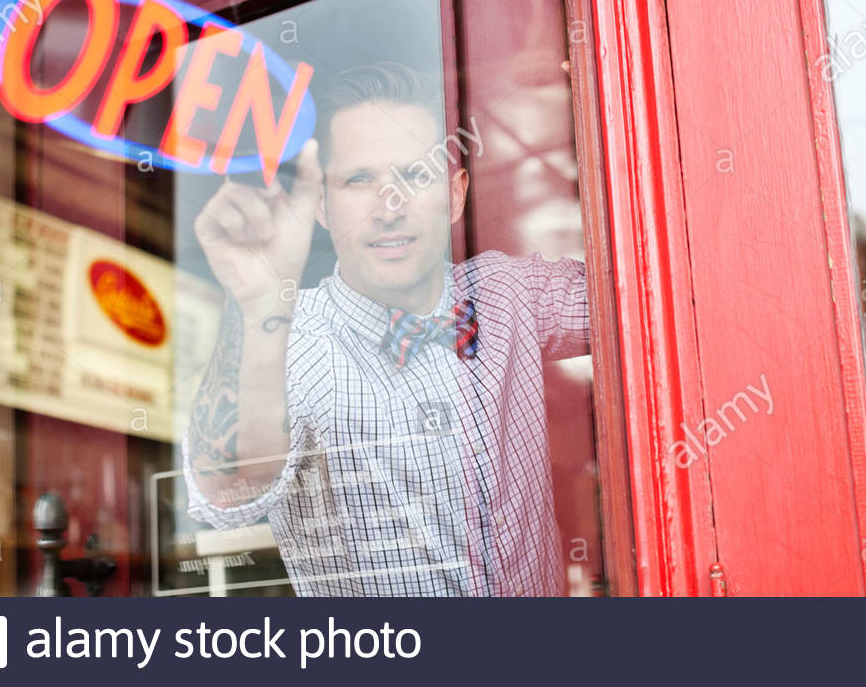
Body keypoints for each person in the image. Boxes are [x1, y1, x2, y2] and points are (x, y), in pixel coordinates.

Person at [182, 62, 589, 596]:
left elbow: (651, 281)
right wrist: (261, 308)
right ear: (322, 205)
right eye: (359, 179)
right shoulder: (290, 338)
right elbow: (230, 490)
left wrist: (596, 101)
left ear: (456, 195)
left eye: (415, 176)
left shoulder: (507, 291)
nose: (389, 207)